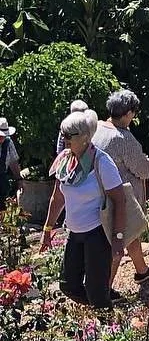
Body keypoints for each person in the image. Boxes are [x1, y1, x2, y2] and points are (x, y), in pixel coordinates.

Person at [40, 110, 126, 308]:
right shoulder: (64, 161)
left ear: (86, 137)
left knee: (96, 291)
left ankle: (106, 325)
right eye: (63, 134)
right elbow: (58, 196)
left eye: (70, 135)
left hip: (97, 232)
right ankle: (101, 315)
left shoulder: (101, 162)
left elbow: (120, 200)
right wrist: (47, 229)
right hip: (75, 231)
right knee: (68, 285)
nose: (65, 139)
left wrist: (118, 238)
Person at [93, 89, 149, 290]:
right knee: (119, 239)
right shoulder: (122, 138)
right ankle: (105, 291)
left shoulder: (97, 128)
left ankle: (142, 270)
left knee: (131, 232)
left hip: (100, 191)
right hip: (121, 196)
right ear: (128, 112)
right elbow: (143, 169)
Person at [0, 117, 22, 212]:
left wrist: (19, 179)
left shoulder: (8, 143)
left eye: (3, 136)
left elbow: (13, 162)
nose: (2, 138)